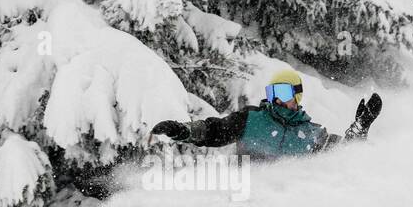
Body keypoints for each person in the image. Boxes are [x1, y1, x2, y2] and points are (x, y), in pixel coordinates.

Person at [149, 68, 382, 159]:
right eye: (272, 92)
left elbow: (344, 156)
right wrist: (183, 130)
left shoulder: (312, 134)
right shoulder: (251, 119)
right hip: (242, 194)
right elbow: (213, 130)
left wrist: (359, 130)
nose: (277, 98)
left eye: (282, 91)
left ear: (296, 95)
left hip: (282, 205)